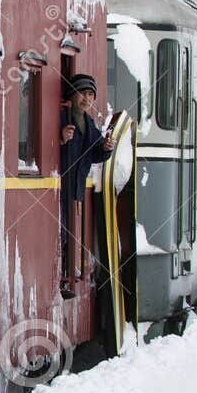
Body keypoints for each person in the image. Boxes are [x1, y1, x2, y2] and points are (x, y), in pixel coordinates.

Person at [59, 73, 114, 296]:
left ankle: (68, 269)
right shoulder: (62, 117)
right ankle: (63, 272)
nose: (87, 99)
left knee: (70, 229)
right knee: (62, 228)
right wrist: (61, 139)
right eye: (83, 93)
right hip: (62, 184)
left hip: (76, 186)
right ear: (72, 95)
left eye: (91, 94)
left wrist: (106, 149)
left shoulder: (88, 122)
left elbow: (95, 152)